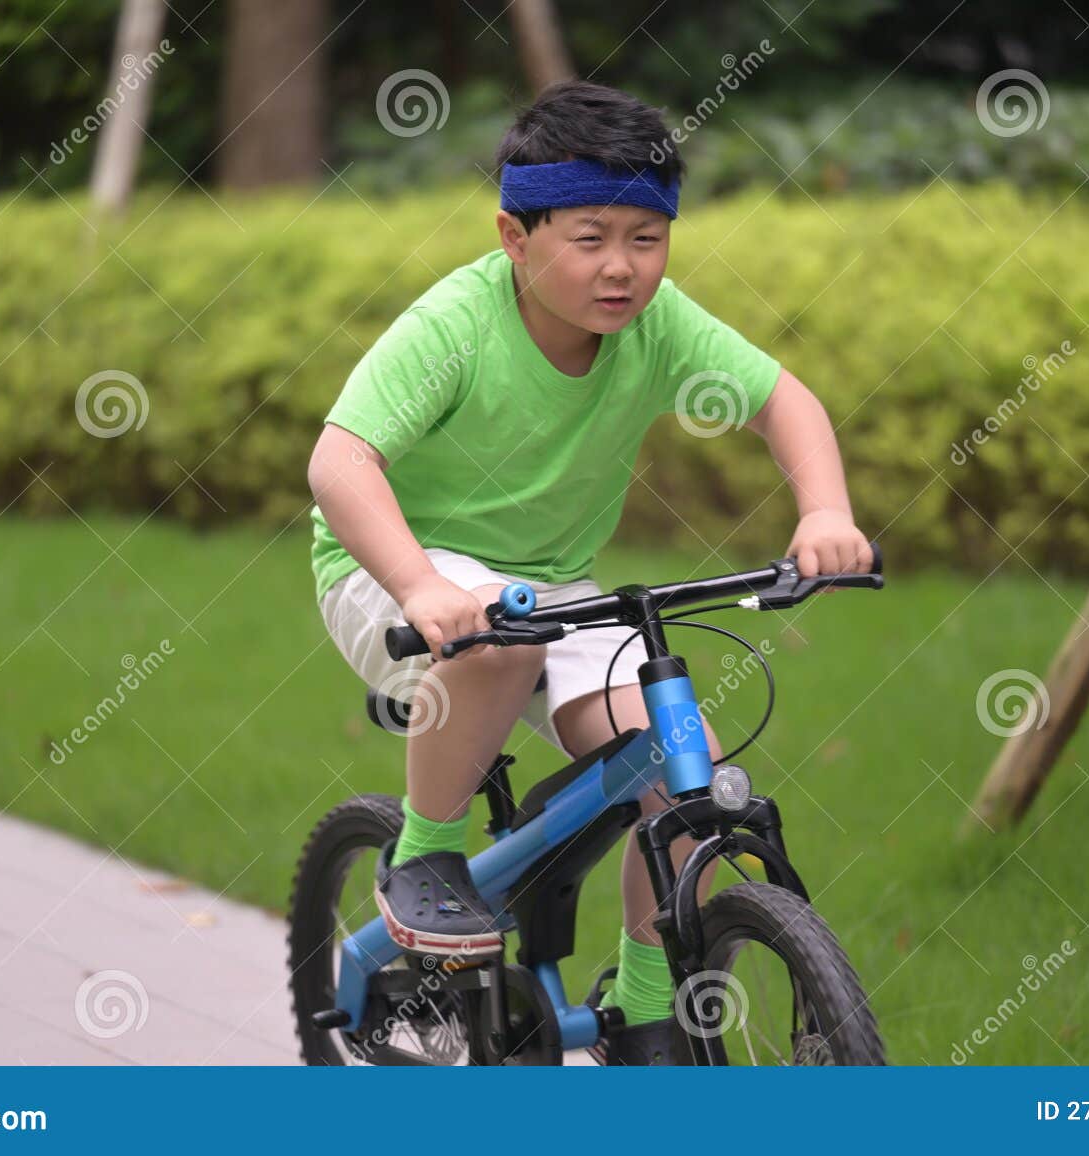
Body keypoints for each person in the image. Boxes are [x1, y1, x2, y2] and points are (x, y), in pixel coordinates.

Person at [307, 79, 874, 1064]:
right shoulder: (455, 326)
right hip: (391, 573)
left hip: (556, 595)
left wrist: (823, 511)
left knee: (681, 759)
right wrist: (423, 587)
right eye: (589, 237)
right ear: (514, 237)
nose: (622, 268)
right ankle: (428, 854)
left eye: (645, 239)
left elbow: (786, 401)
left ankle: (648, 1007)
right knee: (490, 639)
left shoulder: (656, 328)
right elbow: (339, 464)